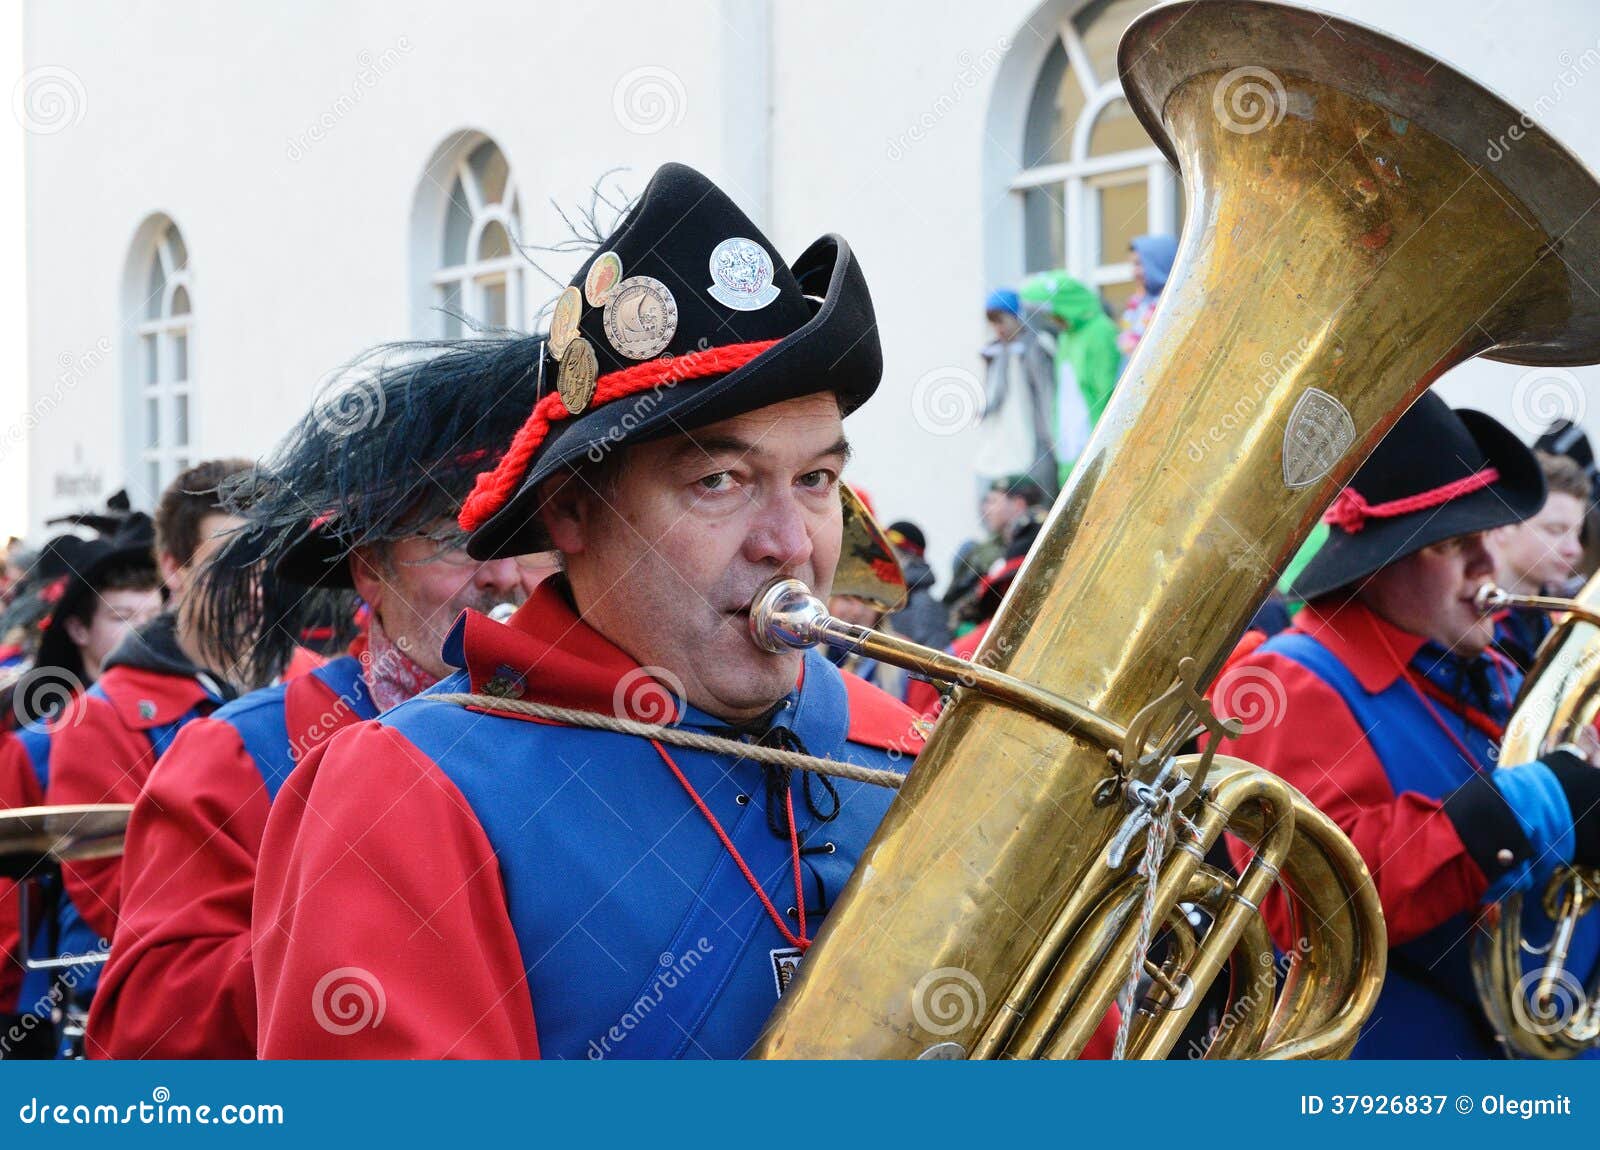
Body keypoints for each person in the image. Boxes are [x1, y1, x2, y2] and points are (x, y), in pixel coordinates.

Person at [251, 162, 927, 1059]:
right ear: (570, 511)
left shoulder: (902, 745)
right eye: (718, 481)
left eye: (815, 480)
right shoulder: (408, 793)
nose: (792, 543)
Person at [85, 341, 539, 1060]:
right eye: (461, 541)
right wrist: (343, 943)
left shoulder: (604, 735)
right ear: (370, 571)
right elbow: (144, 1031)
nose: (508, 576)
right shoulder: (238, 753)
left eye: (530, 535)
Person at [1215, 391, 1600, 1059]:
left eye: (1486, 537)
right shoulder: (1291, 680)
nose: (1487, 566)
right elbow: (1309, 913)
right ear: (1385, 561)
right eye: (1455, 544)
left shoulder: (1489, 668)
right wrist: (1535, 803)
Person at [37, 459, 252, 1022]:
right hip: (187, 1019)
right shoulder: (99, 716)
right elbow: (110, 888)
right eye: (227, 560)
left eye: (265, 555)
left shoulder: (312, 679)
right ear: (174, 569)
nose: (253, 581)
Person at [1489, 450, 1590, 670]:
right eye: (1555, 530)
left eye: (1578, 533)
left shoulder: (1558, 622)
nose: (1574, 549)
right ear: (1504, 525)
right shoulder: (1472, 622)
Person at [1018, 271, 1121, 483]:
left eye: (1053, 311)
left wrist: (1104, 441)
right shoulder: (1066, 336)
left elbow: (1107, 390)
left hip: (1097, 445)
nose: (1051, 319)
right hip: (1069, 449)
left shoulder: (1101, 330)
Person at [944, 474, 1049, 634]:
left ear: (1018, 504)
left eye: (993, 501)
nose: (986, 509)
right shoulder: (995, 546)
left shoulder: (1034, 536)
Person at [976, 288, 1057, 497]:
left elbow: (1046, 393)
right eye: (993, 322)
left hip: (1031, 432)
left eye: (1001, 320)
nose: (998, 328)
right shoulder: (994, 351)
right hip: (1003, 434)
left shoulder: (1035, 346)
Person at [884, 520, 949, 653]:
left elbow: (934, 663)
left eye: (889, 553)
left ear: (908, 558)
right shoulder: (884, 597)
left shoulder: (925, 605)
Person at [1116, 233, 1178, 360]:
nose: (1134, 272)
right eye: (1133, 265)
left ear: (1159, 262)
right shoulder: (1138, 303)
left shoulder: (1175, 303)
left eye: (1139, 264)